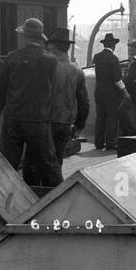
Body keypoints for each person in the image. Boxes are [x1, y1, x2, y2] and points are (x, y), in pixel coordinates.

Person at [0, 18, 62, 197]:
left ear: (24, 37)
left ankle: (0, 199)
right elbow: (54, 90)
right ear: (40, 37)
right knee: (47, 163)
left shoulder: (12, 58)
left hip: (14, 118)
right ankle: (58, 200)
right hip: (39, 120)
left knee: (7, 163)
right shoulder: (51, 60)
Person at [45, 28, 89, 169]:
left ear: (54, 46)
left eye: (50, 44)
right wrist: (79, 125)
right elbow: (84, 102)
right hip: (66, 123)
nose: (48, 47)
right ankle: (57, 187)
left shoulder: (48, 67)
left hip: (47, 121)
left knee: (43, 161)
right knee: (58, 159)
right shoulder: (77, 70)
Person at [92, 31, 129, 151]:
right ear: (113, 45)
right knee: (111, 118)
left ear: (104, 45)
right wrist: (124, 92)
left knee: (100, 117)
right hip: (111, 94)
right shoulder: (113, 58)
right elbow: (117, 78)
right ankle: (110, 143)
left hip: (99, 92)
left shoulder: (97, 57)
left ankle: (98, 143)